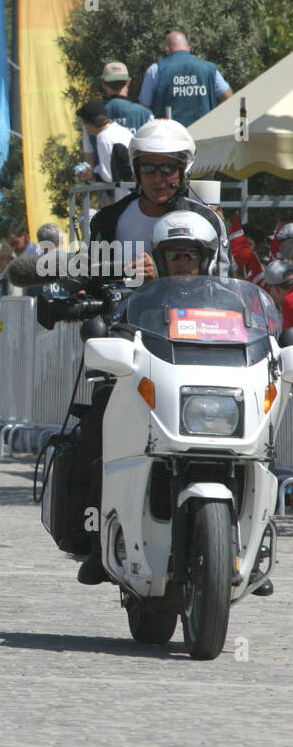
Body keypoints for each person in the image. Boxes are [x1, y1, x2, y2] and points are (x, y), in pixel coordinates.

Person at [73, 211, 225, 585]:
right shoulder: (140, 297)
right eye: (174, 255)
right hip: (154, 397)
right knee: (99, 430)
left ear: (206, 258)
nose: (183, 263)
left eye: (191, 254)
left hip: (211, 400)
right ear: (159, 258)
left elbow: (258, 337)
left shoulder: (225, 301)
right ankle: (98, 542)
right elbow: (120, 333)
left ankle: (246, 549)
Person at [86, 118, 230, 283]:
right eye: (148, 168)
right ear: (136, 171)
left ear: (184, 171)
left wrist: (159, 278)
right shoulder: (107, 220)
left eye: (167, 169)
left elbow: (222, 288)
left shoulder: (207, 222)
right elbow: (92, 282)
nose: (157, 178)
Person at [138, 31, 233, 127]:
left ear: (167, 49)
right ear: (188, 48)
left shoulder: (156, 70)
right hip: (204, 132)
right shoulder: (209, 69)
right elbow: (227, 95)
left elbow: (144, 107)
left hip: (169, 135)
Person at [80, 61, 154, 167]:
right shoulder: (145, 114)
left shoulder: (90, 114)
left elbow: (89, 156)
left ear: (103, 84)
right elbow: (152, 152)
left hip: (102, 180)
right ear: (128, 82)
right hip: (137, 179)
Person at [76, 101, 134, 202]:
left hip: (124, 194)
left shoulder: (103, 137)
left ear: (89, 124)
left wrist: (90, 175)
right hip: (136, 189)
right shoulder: (122, 130)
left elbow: (108, 176)